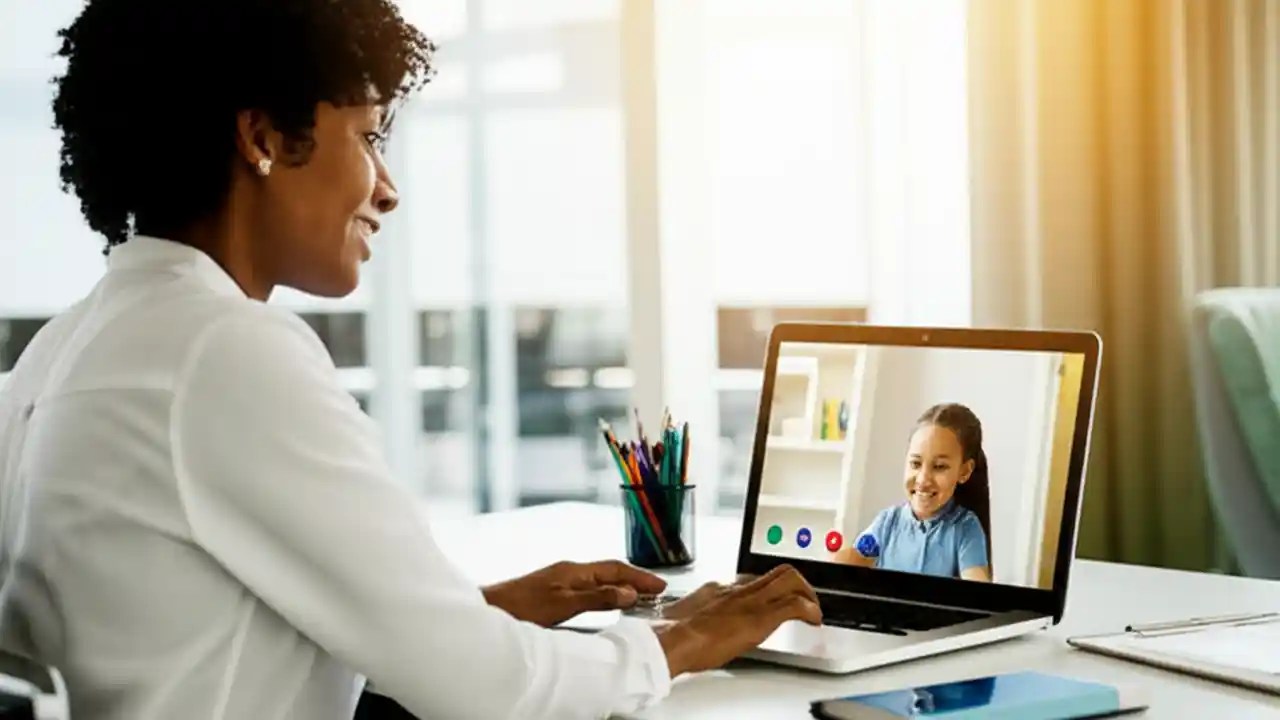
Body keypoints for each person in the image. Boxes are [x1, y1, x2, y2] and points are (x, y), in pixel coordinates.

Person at [0, 2, 822, 719]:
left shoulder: (68, 346)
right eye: (368, 136)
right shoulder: (224, 350)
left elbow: (194, 632)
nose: (387, 188)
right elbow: (492, 694)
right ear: (263, 138)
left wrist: (458, 615)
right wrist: (680, 640)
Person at [834, 403, 993, 582]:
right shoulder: (887, 523)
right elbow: (854, 560)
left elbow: (977, 587)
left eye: (939, 467)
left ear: (964, 471)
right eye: (915, 464)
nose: (923, 480)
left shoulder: (965, 528)